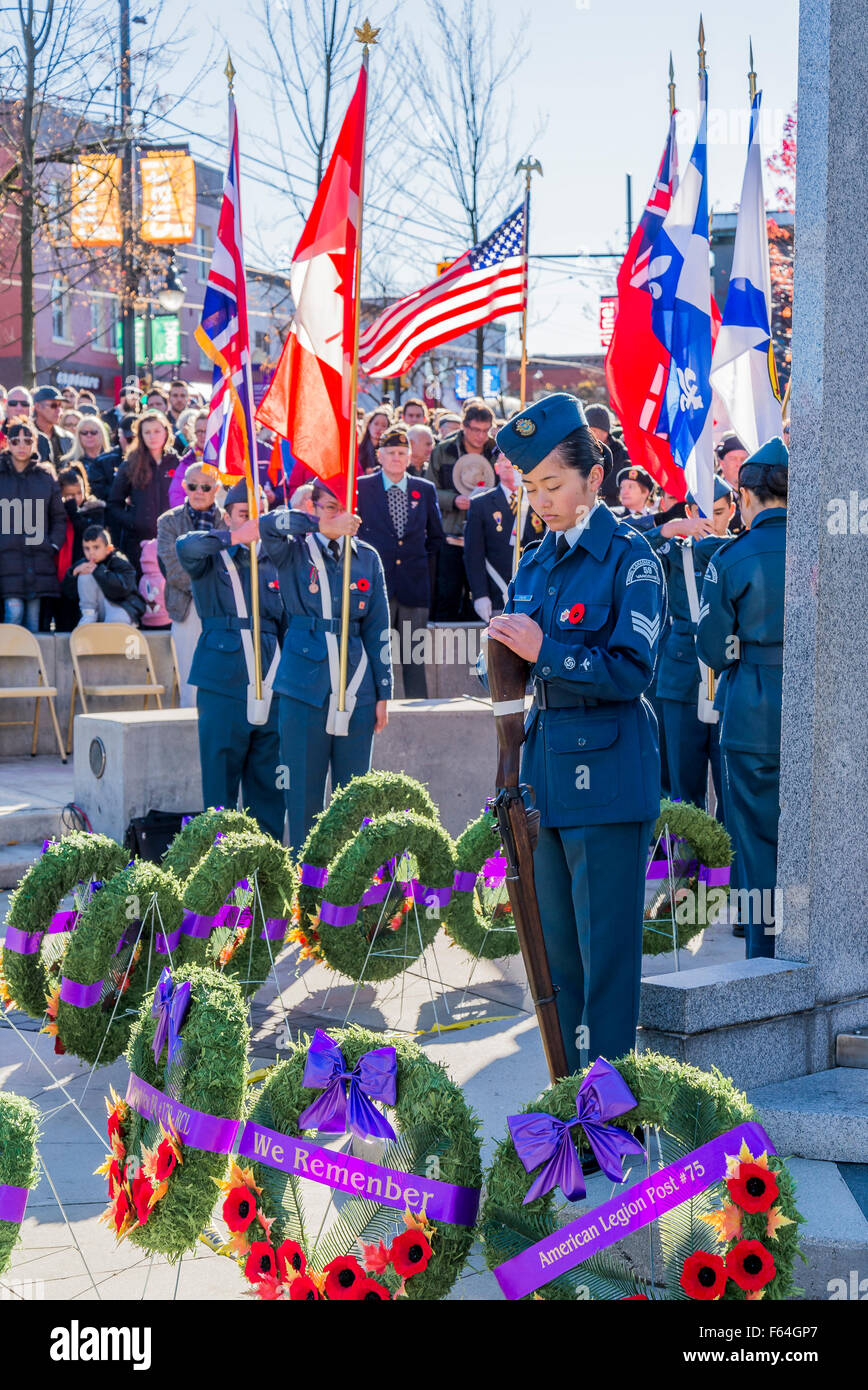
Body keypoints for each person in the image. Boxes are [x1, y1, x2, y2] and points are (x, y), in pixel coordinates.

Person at [485, 393, 665, 1071]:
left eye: (553, 485)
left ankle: (610, 1113)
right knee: (557, 956)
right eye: (530, 488)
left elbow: (631, 671)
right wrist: (500, 657)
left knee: (607, 957)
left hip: (610, 776)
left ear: (594, 477)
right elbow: (515, 670)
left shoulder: (630, 557)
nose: (542, 501)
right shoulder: (535, 562)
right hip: (546, 777)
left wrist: (544, 649)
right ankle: (571, 1098)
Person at [259, 483, 392, 855]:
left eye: (345, 509)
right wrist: (318, 525)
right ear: (313, 507)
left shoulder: (366, 557)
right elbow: (268, 525)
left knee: (353, 797)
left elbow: (379, 627)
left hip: (357, 684)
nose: (341, 516)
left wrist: (384, 693)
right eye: (331, 507)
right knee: (303, 794)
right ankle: (308, 883)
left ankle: (350, 888)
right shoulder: (293, 550)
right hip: (304, 686)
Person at [696, 438, 788, 960]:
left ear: (745, 496)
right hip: (817, 708)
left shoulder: (732, 556)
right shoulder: (823, 549)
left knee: (754, 845)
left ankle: (764, 954)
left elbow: (714, 646)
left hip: (751, 708)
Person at [176, 481, 286, 841]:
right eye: (243, 515)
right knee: (220, 780)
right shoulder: (211, 555)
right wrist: (235, 537)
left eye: (259, 517)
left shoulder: (277, 561)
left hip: (270, 678)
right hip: (223, 681)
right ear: (226, 516)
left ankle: (266, 865)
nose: (253, 522)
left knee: (269, 783)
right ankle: (219, 865)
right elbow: (185, 547)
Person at [645, 476, 736, 816]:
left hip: (728, 670)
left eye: (719, 512)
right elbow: (631, 549)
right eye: (702, 513)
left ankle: (727, 866)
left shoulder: (738, 549)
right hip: (682, 674)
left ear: (733, 510)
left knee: (730, 782)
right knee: (682, 783)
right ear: (688, 512)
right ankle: (684, 861)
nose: (711, 521)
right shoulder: (675, 552)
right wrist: (671, 528)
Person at [356, 426, 444, 699]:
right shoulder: (362, 487)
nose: (396, 457)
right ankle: (373, 707)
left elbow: (436, 538)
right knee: (374, 654)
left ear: (409, 457)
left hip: (413, 587)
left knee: (414, 657)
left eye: (402, 453)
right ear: (379, 456)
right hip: (374, 586)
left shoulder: (424, 489)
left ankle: (419, 714)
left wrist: (417, 566)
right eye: (391, 452)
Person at [156, 463, 225, 707]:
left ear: (216, 488)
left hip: (223, 608)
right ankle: (190, 735)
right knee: (189, 677)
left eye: (205, 486)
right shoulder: (168, 522)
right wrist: (208, 586)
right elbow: (172, 568)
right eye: (193, 486)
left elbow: (231, 564)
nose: (199, 491)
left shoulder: (227, 520)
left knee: (221, 677)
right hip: (187, 607)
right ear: (184, 486)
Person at [429, 399, 497, 620]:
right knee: (447, 597)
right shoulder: (443, 450)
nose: (481, 436)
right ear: (465, 427)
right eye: (476, 430)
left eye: (486, 430)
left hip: (486, 538)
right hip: (452, 537)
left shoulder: (495, 451)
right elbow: (430, 491)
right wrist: (454, 500)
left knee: (481, 601)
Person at [0, 417, 66, 630]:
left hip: (39, 560)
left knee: (34, 620)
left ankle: (32, 665)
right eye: (15, 440)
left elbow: (58, 517)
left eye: (27, 441)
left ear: (35, 443)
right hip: (6, 560)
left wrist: (52, 544)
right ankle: (9, 664)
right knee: (14, 612)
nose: (21, 446)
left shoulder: (45, 477)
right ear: (7, 443)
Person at [463, 453, 545, 621]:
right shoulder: (481, 504)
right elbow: (474, 554)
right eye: (503, 460)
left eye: (513, 459)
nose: (509, 464)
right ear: (496, 467)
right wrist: (480, 594)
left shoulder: (540, 500)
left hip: (534, 591)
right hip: (498, 593)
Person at [108, 410, 180, 574]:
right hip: (139, 542)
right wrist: (135, 521)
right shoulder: (130, 464)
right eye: (147, 432)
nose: (152, 436)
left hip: (172, 540)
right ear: (140, 435)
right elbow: (114, 503)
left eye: (156, 431)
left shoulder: (177, 463)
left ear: (166, 432)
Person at [55, 465, 106, 629]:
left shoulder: (94, 510)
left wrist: (73, 511)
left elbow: (88, 532)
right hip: (61, 577)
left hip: (85, 575)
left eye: (79, 493)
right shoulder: (56, 514)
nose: (76, 498)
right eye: (69, 495)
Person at [69, 524, 144, 626]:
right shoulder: (83, 565)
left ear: (109, 549)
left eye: (96, 547)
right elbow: (67, 594)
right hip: (97, 610)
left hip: (121, 607)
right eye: (87, 548)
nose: (91, 553)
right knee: (85, 575)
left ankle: (123, 625)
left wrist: (98, 571)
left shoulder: (120, 562)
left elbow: (122, 589)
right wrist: (73, 574)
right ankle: (89, 616)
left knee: (116, 619)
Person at [585, 402, 631, 507]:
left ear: (605, 432)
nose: (589, 435)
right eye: (586, 431)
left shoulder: (623, 457)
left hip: (615, 513)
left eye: (593, 431)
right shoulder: (578, 455)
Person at [87, 414, 135, 506]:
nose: (133, 444)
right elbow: (96, 491)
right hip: (113, 515)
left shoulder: (155, 460)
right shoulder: (102, 461)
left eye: (137, 439)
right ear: (120, 437)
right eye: (129, 439)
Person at [168, 410, 209, 507]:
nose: (203, 436)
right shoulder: (187, 461)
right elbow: (176, 495)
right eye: (199, 431)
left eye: (207, 431)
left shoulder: (224, 461)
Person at [32, 386, 75, 469]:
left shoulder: (68, 438)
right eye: (54, 405)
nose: (59, 410)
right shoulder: (25, 435)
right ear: (37, 406)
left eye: (60, 406)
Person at [613, 465, 657, 532]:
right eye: (622, 487)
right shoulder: (613, 515)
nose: (624, 491)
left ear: (645, 492)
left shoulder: (655, 518)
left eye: (631, 487)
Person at [102, 376, 141, 446]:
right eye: (132, 399)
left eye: (137, 399)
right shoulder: (107, 417)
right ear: (122, 399)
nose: (136, 403)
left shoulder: (139, 417)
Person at [358, 407, 392, 474]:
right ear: (369, 425)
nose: (379, 428)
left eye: (384, 425)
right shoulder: (357, 448)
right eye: (376, 424)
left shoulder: (390, 451)